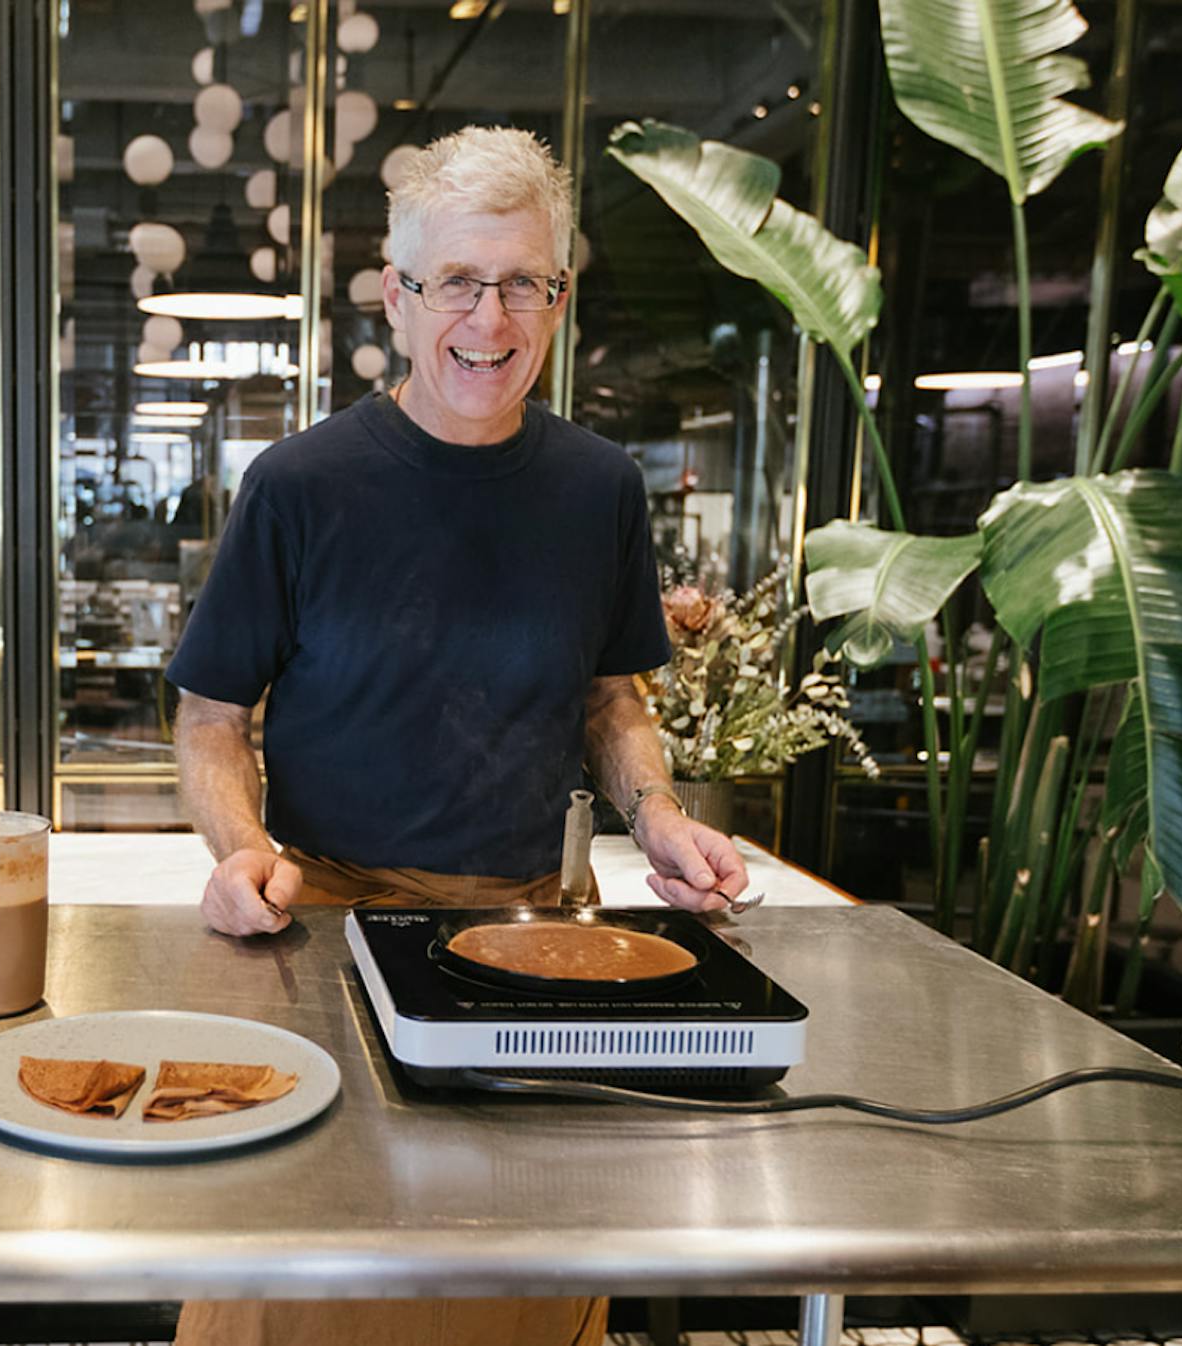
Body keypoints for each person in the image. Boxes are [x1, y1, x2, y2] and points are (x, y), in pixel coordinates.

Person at [166, 125, 749, 1346]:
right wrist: (236, 849)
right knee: (303, 1279)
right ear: (400, 295)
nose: (492, 316)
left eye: (523, 281)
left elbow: (611, 698)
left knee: (519, 1276)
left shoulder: (599, 490)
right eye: (460, 283)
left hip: (532, 942)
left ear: (557, 296)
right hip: (323, 934)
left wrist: (658, 814)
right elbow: (214, 718)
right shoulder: (300, 485)